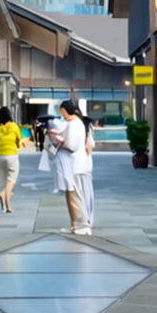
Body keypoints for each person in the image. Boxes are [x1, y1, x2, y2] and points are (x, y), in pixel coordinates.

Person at [50, 99, 94, 235]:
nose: (62, 115)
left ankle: (82, 224)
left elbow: (72, 146)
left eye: (62, 112)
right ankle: (76, 224)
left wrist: (59, 143)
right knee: (74, 193)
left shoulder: (74, 124)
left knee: (75, 193)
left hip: (73, 164)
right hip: (75, 163)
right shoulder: (75, 123)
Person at [0, 106, 23, 213]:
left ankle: (2, 194)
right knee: (11, 180)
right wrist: (17, 145)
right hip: (11, 155)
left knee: (2, 178)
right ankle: (7, 204)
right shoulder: (14, 126)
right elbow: (19, 140)